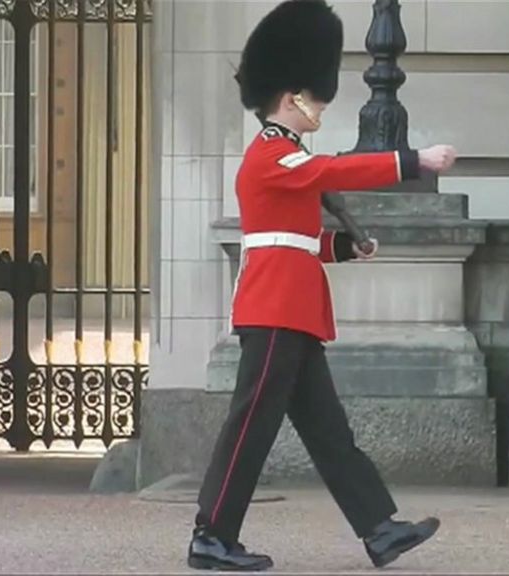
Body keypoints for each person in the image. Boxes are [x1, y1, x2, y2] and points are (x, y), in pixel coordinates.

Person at [187, 0, 457, 570]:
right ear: (293, 97)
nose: (322, 109)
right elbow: (332, 172)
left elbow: (297, 238)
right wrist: (412, 161)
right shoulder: (270, 154)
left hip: (296, 310)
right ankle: (211, 535)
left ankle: (379, 529)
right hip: (274, 309)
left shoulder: (288, 157)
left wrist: (344, 248)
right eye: (318, 99)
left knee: (330, 432)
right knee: (251, 426)